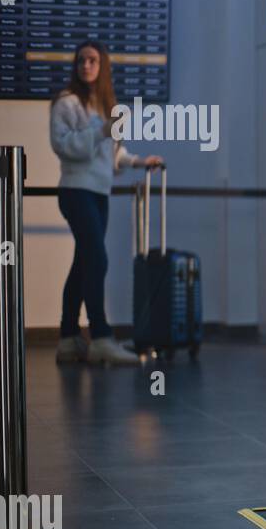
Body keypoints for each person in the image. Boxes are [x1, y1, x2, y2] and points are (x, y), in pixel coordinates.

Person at [50, 40, 162, 366]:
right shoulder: (66, 104)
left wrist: (140, 162)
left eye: (93, 61)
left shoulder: (103, 106)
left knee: (83, 264)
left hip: (99, 193)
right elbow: (64, 146)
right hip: (76, 191)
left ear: (103, 67)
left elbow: (113, 156)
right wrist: (102, 132)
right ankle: (100, 337)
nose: (86, 66)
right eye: (81, 60)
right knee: (97, 260)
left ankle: (69, 338)